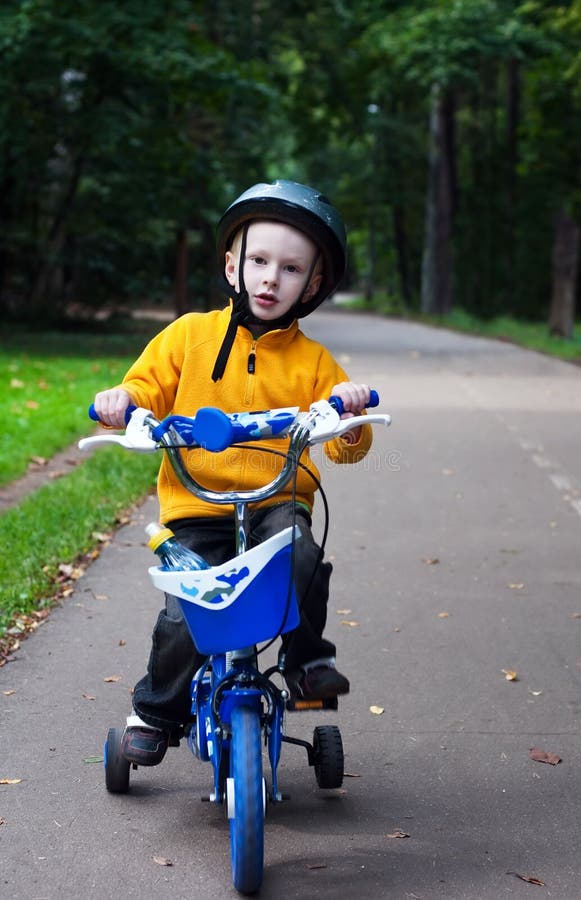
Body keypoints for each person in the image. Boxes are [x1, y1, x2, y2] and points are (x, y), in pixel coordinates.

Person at [93, 180, 374, 766]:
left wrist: (348, 416)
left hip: (276, 499)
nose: (272, 278)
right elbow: (145, 386)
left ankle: (305, 665)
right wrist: (124, 399)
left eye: (292, 268)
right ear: (232, 266)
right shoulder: (188, 337)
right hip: (199, 505)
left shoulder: (314, 362)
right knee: (183, 613)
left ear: (313, 284)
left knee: (299, 552)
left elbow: (348, 449)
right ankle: (155, 711)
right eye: (260, 261)